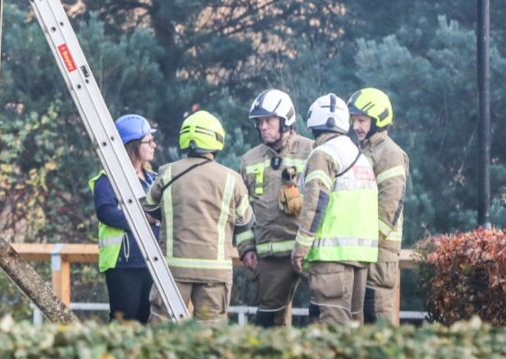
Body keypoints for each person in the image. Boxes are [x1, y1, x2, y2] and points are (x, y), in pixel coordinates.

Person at [142, 110, 255, 321]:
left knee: (162, 333)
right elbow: (246, 222)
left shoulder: (167, 173)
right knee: (209, 335)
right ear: (217, 140)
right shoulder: (232, 179)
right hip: (215, 272)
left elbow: (148, 208)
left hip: (173, 270)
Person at [294, 93, 378, 325]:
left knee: (332, 325)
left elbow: (315, 202)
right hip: (360, 257)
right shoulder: (359, 156)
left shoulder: (324, 154)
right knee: (353, 326)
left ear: (313, 125)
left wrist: (301, 248)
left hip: (332, 257)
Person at [239, 88, 314, 327]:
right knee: (269, 321)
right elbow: (242, 210)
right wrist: (246, 247)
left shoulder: (312, 151)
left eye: (268, 120)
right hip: (271, 255)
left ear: (285, 120)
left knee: (325, 312)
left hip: (310, 251)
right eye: (259, 122)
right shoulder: (249, 160)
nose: (263, 126)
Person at [91, 114, 160, 322]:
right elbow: (106, 213)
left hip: (153, 260)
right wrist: (144, 219)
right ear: (132, 145)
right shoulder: (107, 180)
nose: (153, 145)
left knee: (146, 319)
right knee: (124, 320)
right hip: (123, 263)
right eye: (148, 141)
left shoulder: (153, 180)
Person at [350, 87, 408, 325]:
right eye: (354, 120)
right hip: (362, 250)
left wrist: (369, 241)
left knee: (378, 317)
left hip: (379, 251)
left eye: (362, 120)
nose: (356, 126)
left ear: (379, 120)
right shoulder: (362, 151)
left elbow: (390, 205)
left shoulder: (390, 153)